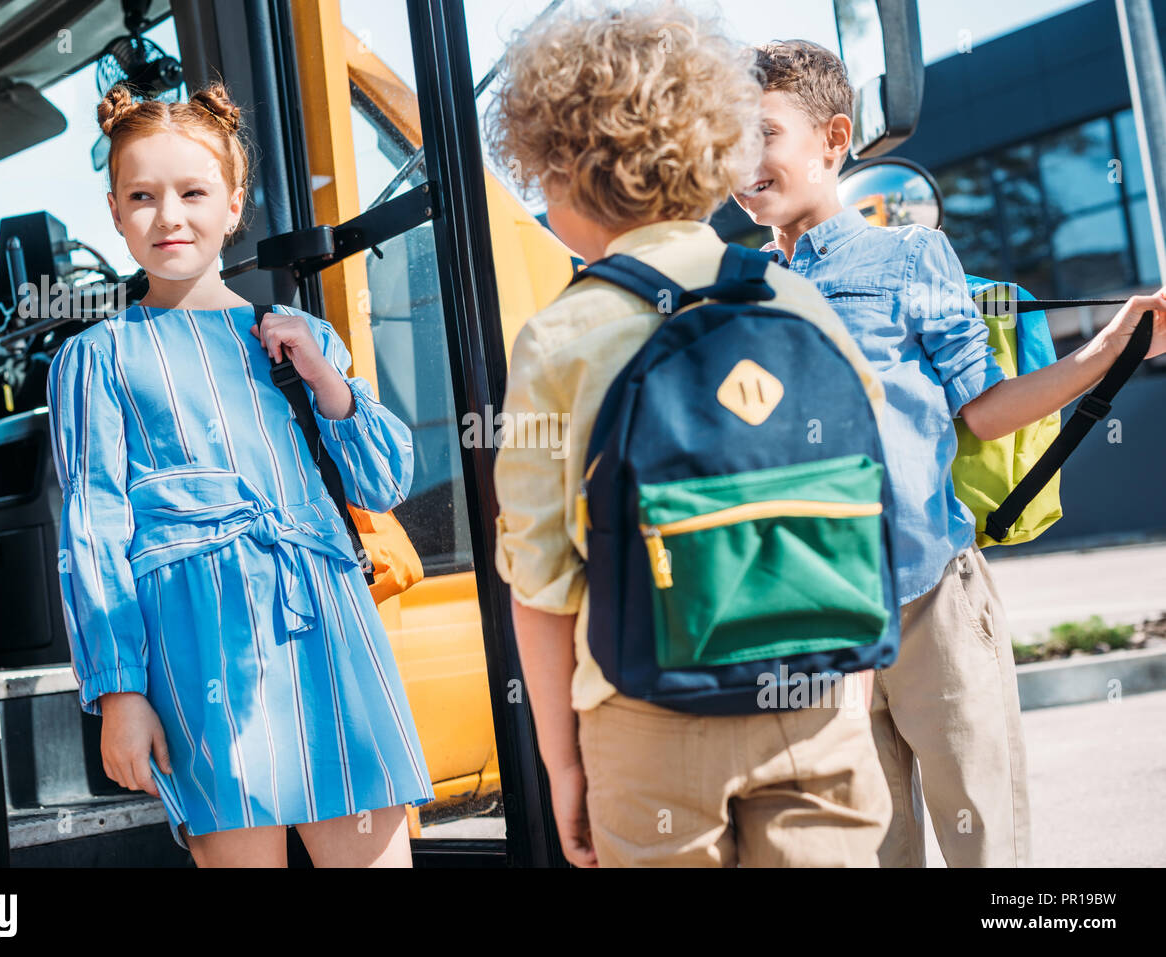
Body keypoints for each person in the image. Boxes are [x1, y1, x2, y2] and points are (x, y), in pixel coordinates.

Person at [734, 39, 1166, 867]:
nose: (741, 160)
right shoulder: (735, 289)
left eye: (763, 134)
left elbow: (989, 411)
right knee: (871, 853)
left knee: (985, 849)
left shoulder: (909, 257)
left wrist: (1112, 346)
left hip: (935, 597)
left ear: (833, 138)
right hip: (821, 624)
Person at [488, 4, 893, 868]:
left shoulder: (560, 338)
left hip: (647, 715)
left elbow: (541, 581)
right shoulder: (793, 300)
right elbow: (865, 501)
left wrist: (563, 765)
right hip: (813, 693)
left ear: (559, 171)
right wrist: (850, 698)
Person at [46, 81, 433, 868]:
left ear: (234, 204)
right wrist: (120, 691)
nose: (169, 216)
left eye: (193, 192)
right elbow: (94, 531)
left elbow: (384, 481)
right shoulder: (97, 356)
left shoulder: (294, 336)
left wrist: (327, 377)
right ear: (115, 212)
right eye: (143, 196)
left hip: (327, 624)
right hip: (201, 647)